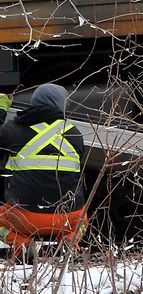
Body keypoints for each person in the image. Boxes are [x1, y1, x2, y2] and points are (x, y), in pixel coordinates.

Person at [0, 84, 87, 256]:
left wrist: (2, 107)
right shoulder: (75, 135)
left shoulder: (16, 130)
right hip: (67, 219)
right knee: (83, 220)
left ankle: (21, 244)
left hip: (26, 219)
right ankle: (70, 240)